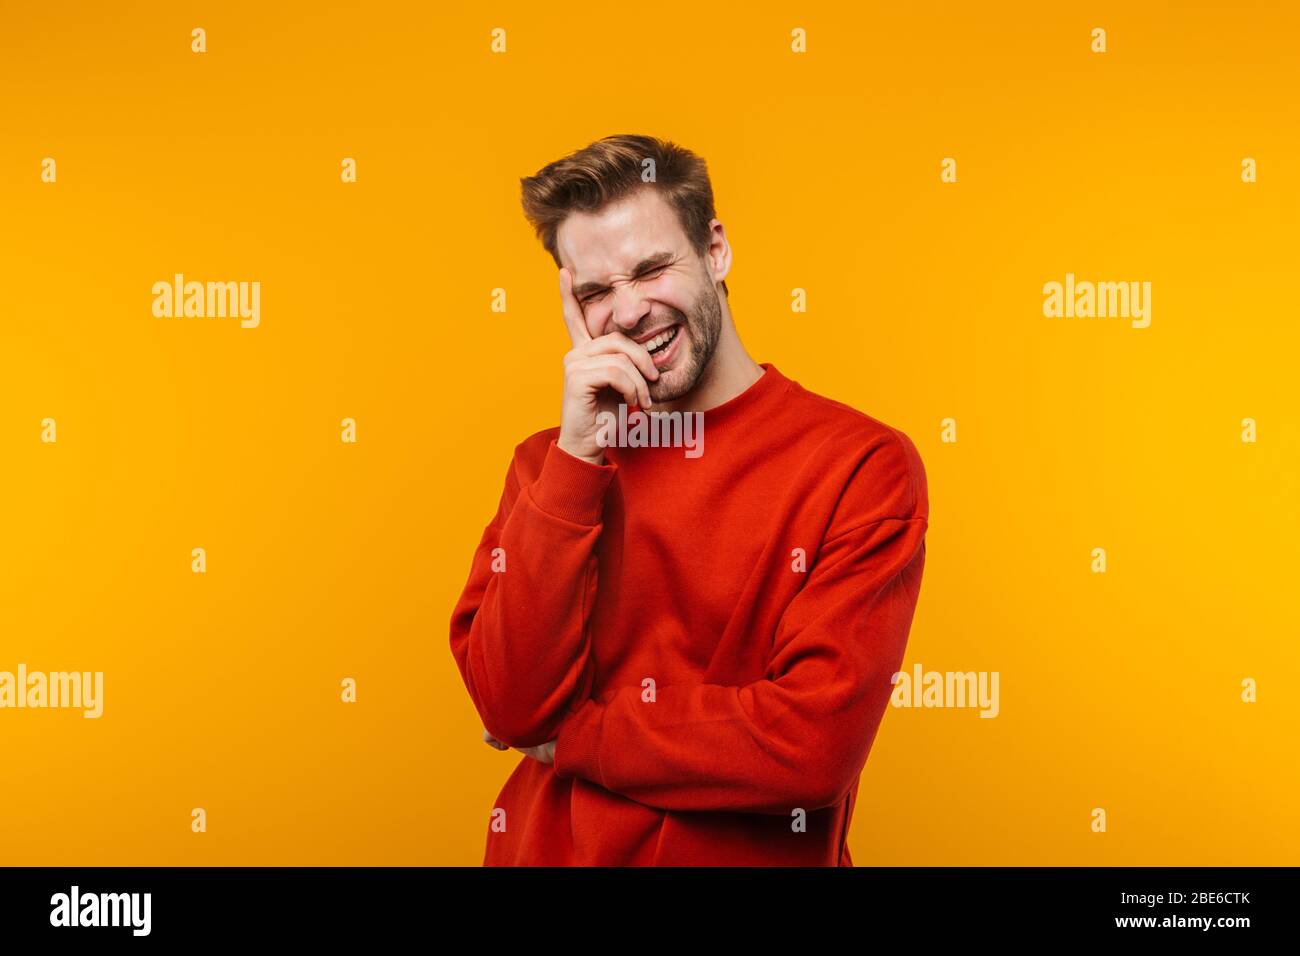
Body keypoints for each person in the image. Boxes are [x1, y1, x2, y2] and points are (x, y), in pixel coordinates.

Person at [449, 133, 929, 865]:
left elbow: (809, 748)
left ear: (715, 251)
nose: (631, 311)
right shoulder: (548, 466)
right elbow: (511, 704)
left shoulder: (859, 465)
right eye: (596, 292)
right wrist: (581, 458)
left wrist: (573, 737)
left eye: (650, 269)